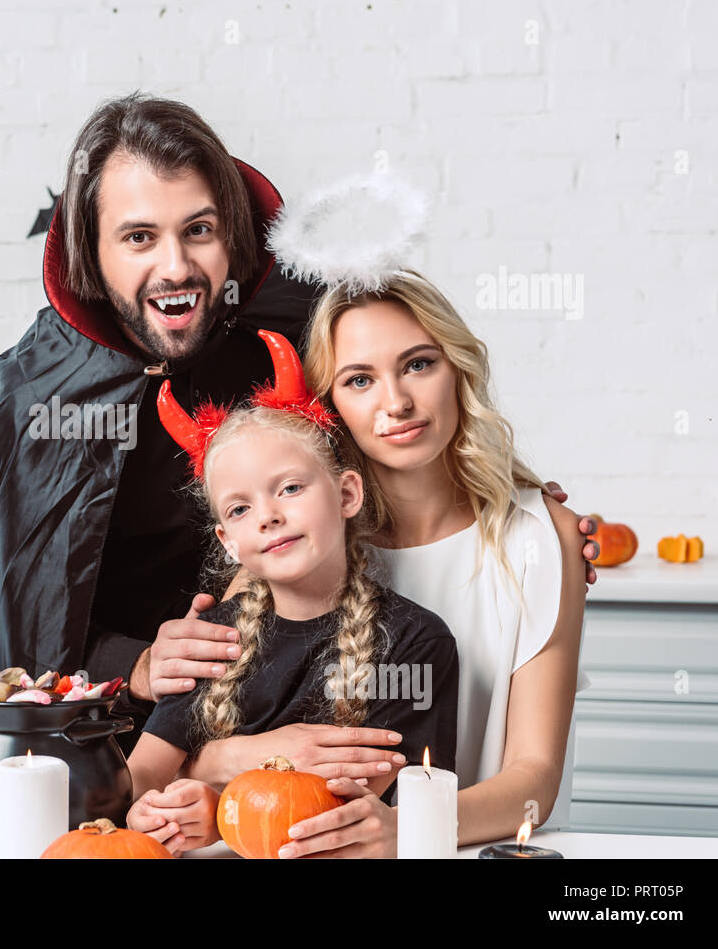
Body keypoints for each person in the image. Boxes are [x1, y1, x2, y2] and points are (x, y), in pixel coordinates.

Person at [0, 92, 599, 770]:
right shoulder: (35, 397)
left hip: (303, 713)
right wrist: (138, 664)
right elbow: (24, 624)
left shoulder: (286, 321)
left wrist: (526, 515)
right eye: (139, 237)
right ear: (93, 247)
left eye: (199, 230)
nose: (175, 267)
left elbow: (397, 413)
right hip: (122, 742)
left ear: (232, 232)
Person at [170, 265, 591, 857]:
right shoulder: (297, 545)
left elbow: (535, 781)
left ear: (457, 369)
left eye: (419, 364)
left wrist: (411, 829)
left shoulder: (543, 538)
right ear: (331, 405)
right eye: (360, 379)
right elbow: (206, 738)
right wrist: (223, 757)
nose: (396, 402)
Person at [122, 330, 458, 855]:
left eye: (290, 488)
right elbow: (142, 773)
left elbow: (354, 806)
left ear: (347, 493)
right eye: (239, 509)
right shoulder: (211, 641)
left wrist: (220, 807)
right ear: (228, 542)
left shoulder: (414, 641)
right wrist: (150, 810)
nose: (269, 516)